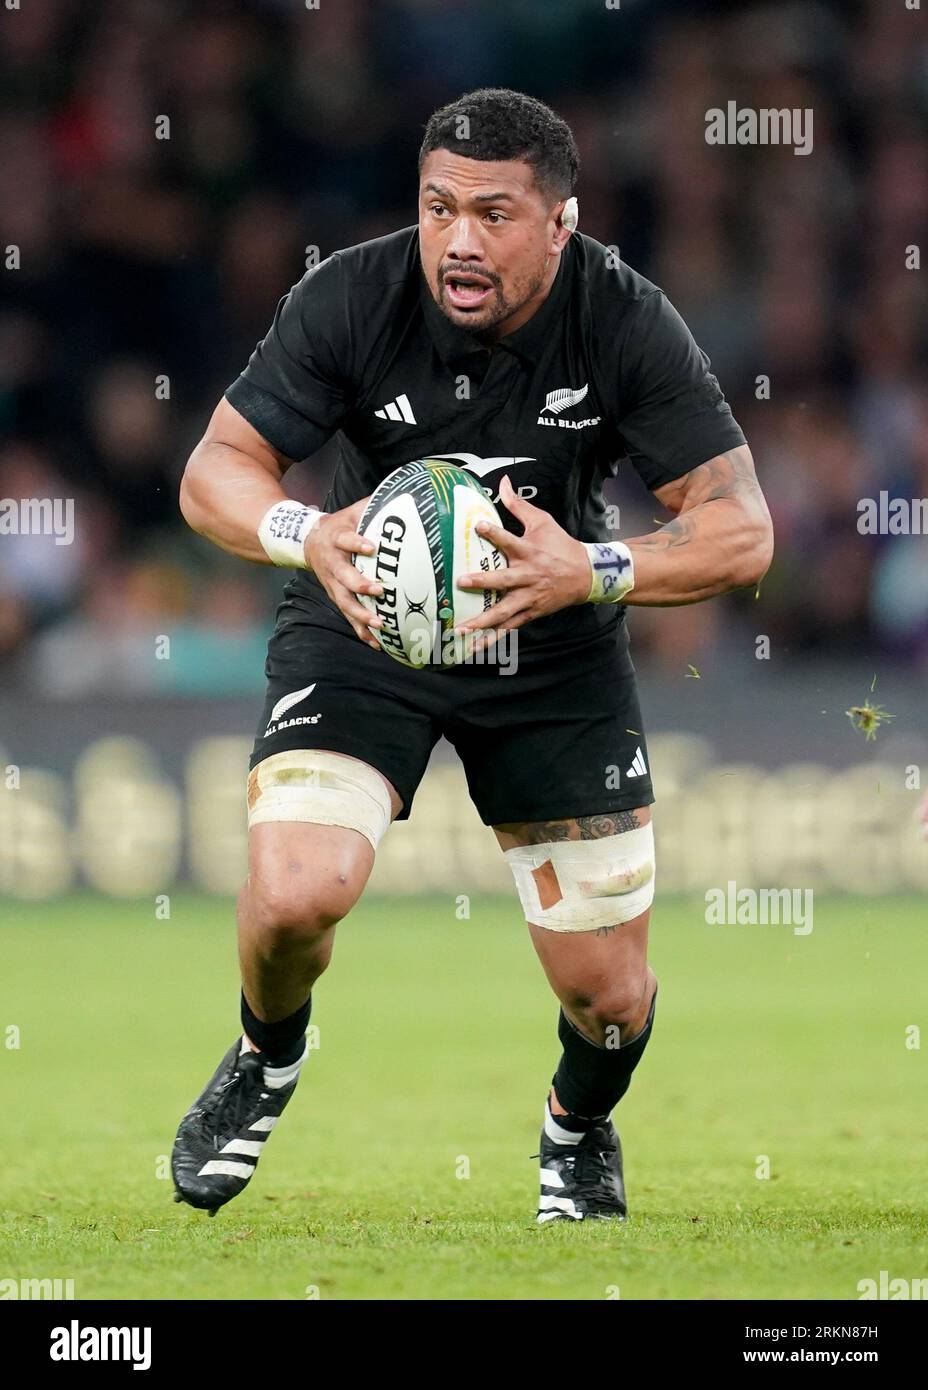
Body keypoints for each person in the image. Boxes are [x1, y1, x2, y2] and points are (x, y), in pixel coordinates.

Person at [171, 88, 773, 1223]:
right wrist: (309, 533)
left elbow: (743, 532)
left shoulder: (623, 318)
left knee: (608, 996)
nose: (457, 237)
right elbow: (215, 469)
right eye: (438, 205)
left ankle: (576, 1130)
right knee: (296, 895)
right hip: (364, 616)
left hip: (550, 640)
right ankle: (266, 1055)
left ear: (560, 222)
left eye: (493, 214)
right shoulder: (352, 293)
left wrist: (590, 569)